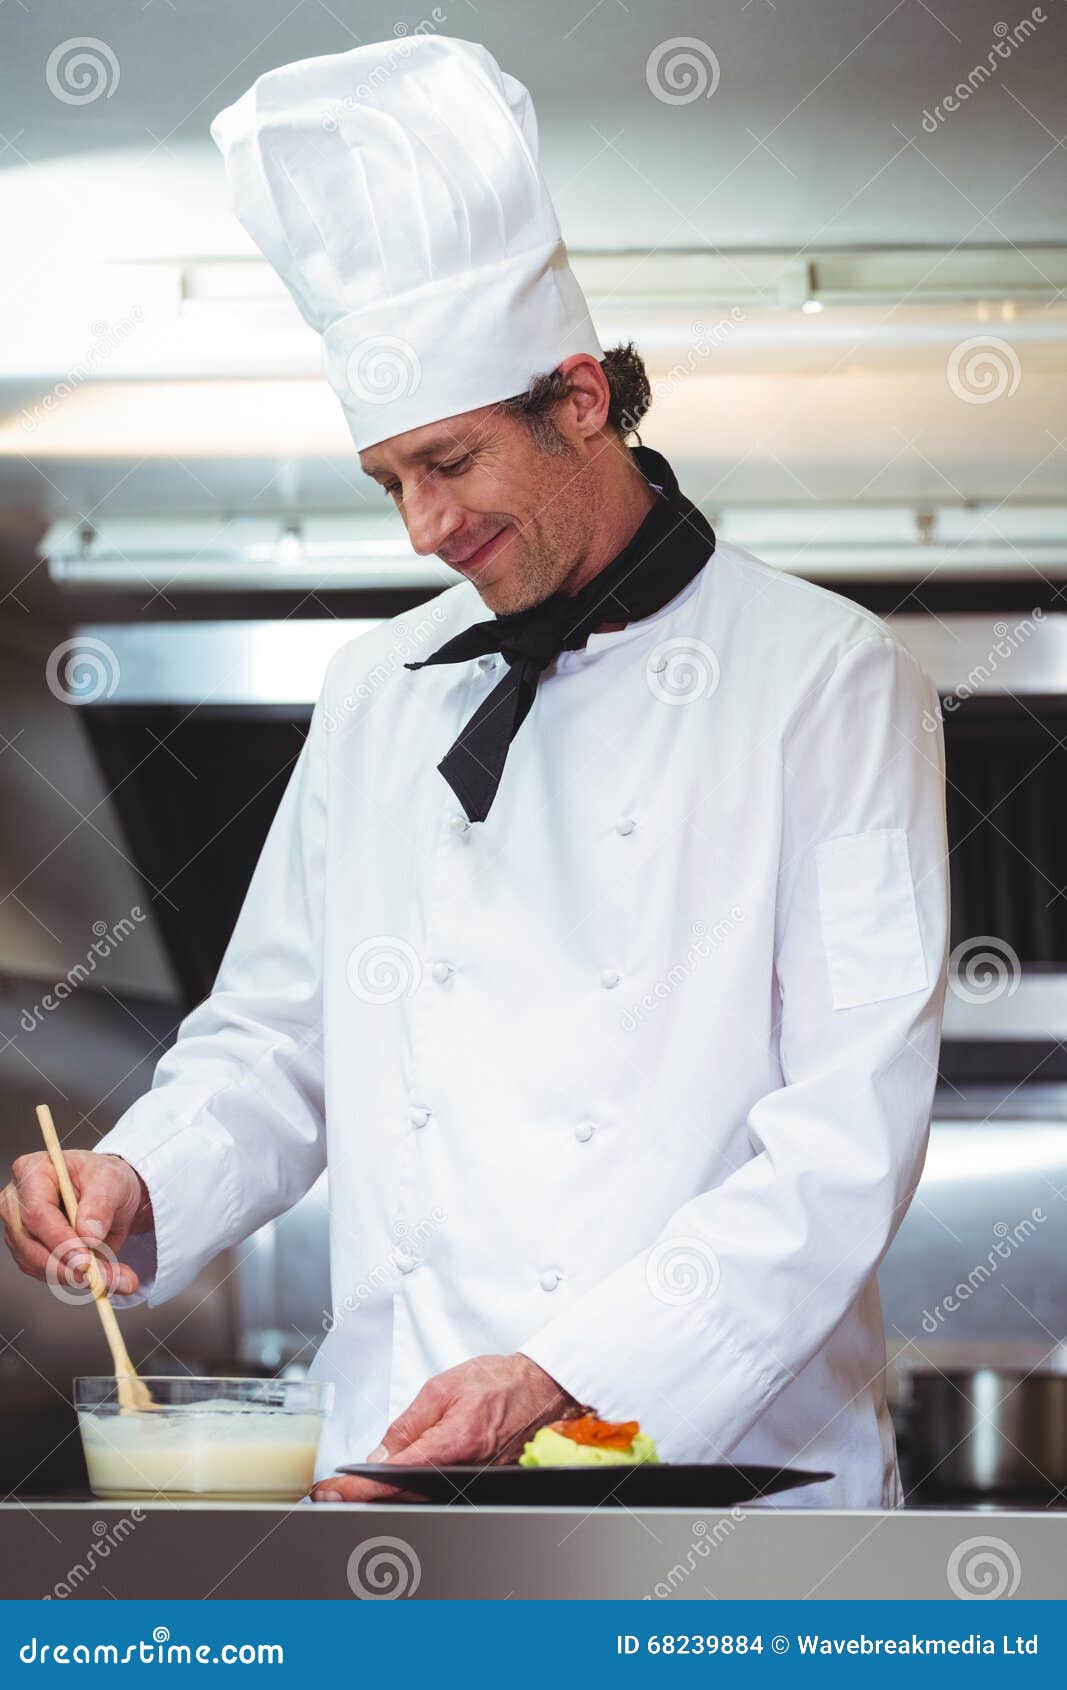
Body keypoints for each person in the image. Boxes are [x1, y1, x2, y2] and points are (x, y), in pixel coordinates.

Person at [2, 36, 949, 1507]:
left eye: (449, 460)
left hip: (706, 1471)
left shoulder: (826, 677)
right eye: (388, 482)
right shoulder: (376, 690)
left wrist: (572, 1364)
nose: (423, 528)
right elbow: (276, 1042)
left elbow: (844, 1137)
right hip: (404, 1464)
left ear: (579, 397)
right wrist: (146, 1174)